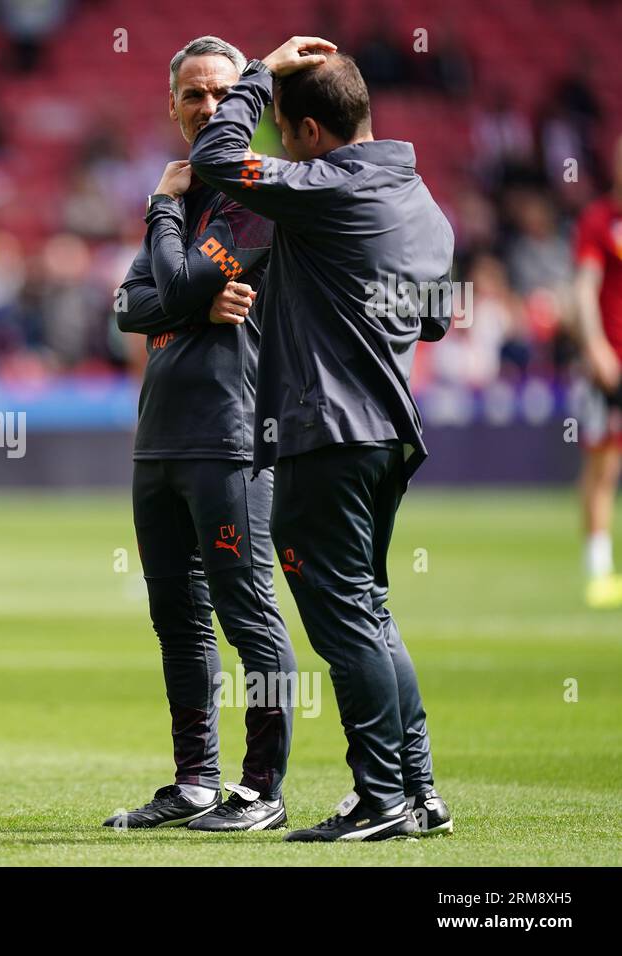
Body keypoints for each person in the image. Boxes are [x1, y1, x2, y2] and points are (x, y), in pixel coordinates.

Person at [191, 38, 455, 840]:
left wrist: (258, 70)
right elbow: (437, 318)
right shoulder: (425, 202)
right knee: (369, 610)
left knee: (344, 618)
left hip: (326, 429)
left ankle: (380, 800)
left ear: (307, 131)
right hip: (390, 430)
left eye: (280, 124)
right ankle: (418, 790)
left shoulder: (323, 185)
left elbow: (214, 157)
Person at [106, 36, 296, 833]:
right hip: (160, 439)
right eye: (194, 96)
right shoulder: (182, 202)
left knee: (248, 611)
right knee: (177, 619)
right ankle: (194, 782)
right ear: (173, 105)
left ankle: (262, 788)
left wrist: (164, 234)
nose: (209, 109)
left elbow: (169, 284)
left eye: (224, 94)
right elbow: (126, 305)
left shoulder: (254, 198)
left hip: (232, 434)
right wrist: (187, 294)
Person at [571, 136, 622, 609]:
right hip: (610, 367)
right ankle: (598, 568)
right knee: (602, 465)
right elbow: (585, 290)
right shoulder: (598, 221)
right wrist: (596, 346)